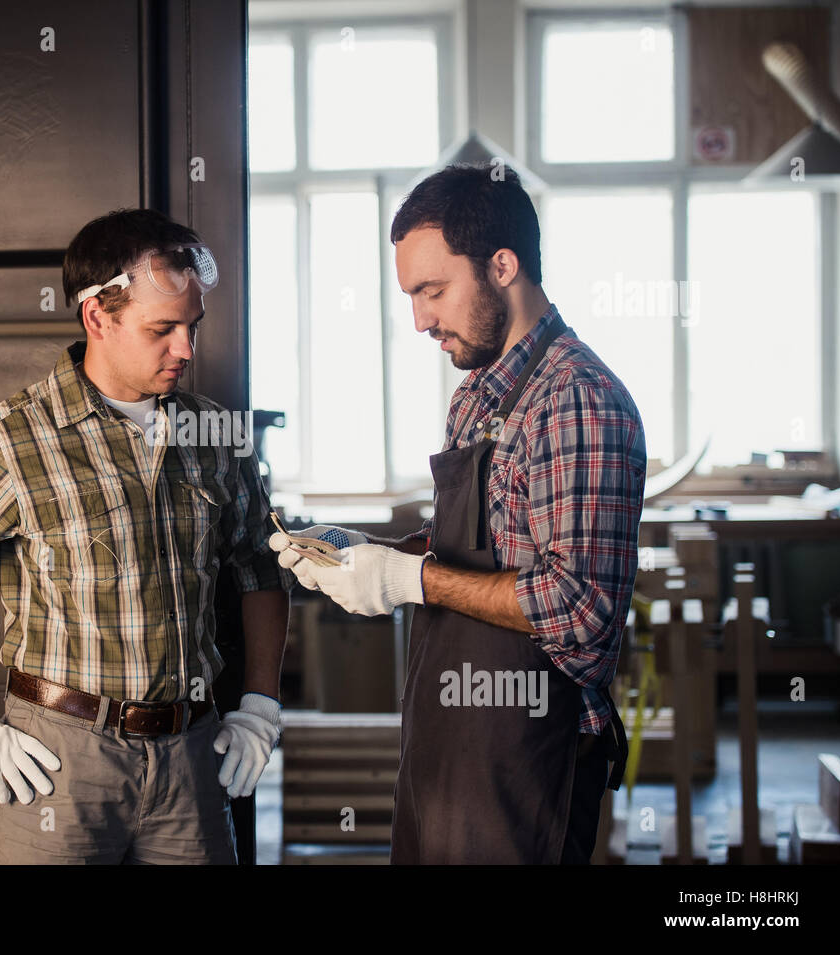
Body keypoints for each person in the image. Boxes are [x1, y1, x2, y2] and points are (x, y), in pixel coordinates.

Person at [0, 208, 293, 864]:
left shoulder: (215, 434)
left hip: (192, 757)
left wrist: (261, 700)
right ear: (98, 318)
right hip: (59, 762)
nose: (186, 350)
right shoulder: (14, 437)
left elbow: (261, 564)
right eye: (162, 329)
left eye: (192, 326)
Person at [272, 163, 645, 864]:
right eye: (412, 294)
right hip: (453, 745)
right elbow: (477, 545)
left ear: (503, 265)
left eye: (433, 290)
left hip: (529, 759)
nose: (419, 320)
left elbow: (582, 610)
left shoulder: (576, 399)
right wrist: (366, 552)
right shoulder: (478, 395)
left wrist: (411, 581)